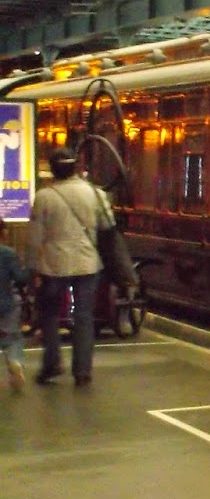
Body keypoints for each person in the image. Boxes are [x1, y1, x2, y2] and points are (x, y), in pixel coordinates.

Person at [27, 147, 111, 387]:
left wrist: (32, 270)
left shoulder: (45, 196)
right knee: (84, 317)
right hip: (87, 264)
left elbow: (34, 239)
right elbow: (107, 225)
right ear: (75, 167)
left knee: (50, 315)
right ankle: (83, 371)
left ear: (53, 170)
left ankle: (52, 364)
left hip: (53, 266)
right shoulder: (95, 193)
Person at [0, 224, 28, 392]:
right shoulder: (8, 253)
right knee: (12, 338)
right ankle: (14, 361)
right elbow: (20, 278)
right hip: (6, 304)